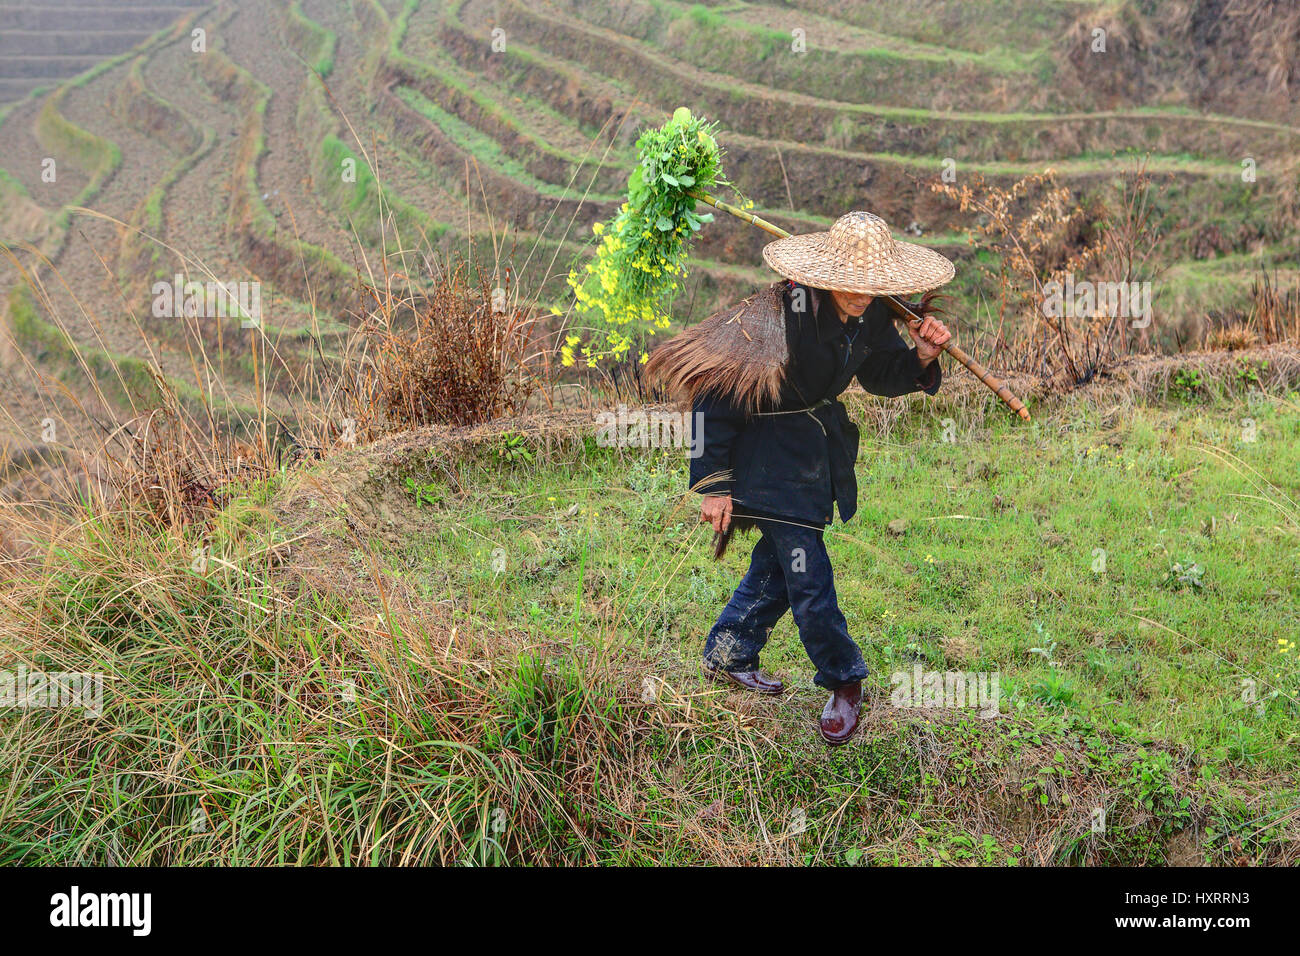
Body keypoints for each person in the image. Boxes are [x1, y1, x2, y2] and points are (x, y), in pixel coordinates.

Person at [652, 210, 954, 745]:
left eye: (870, 284)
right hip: (764, 454)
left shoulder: (871, 313)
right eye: (851, 283)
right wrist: (714, 484)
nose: (860, 293)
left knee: (779, 562)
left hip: (810, 453)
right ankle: (843, 678)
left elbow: (879, 373)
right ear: (825, 274)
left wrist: (921, 357)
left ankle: (730, 652)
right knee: (808, 573)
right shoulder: (782, 312)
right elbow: (711, 398)